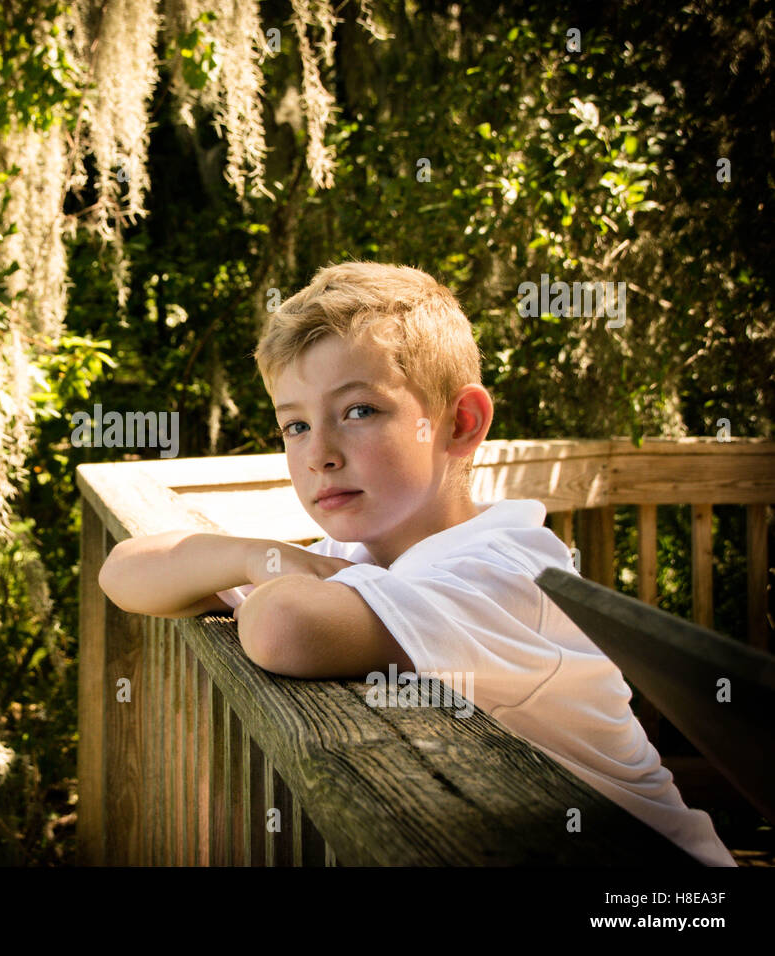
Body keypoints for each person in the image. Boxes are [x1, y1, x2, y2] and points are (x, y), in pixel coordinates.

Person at [97, 260, 735, 866]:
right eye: (293, 425)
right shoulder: (355, 554)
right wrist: (246, 556)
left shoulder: (504, 572)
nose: (319, 453)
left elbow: (284, 627)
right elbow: (123, 571)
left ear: (461, 423)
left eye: (358, 411)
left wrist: (264, 574)